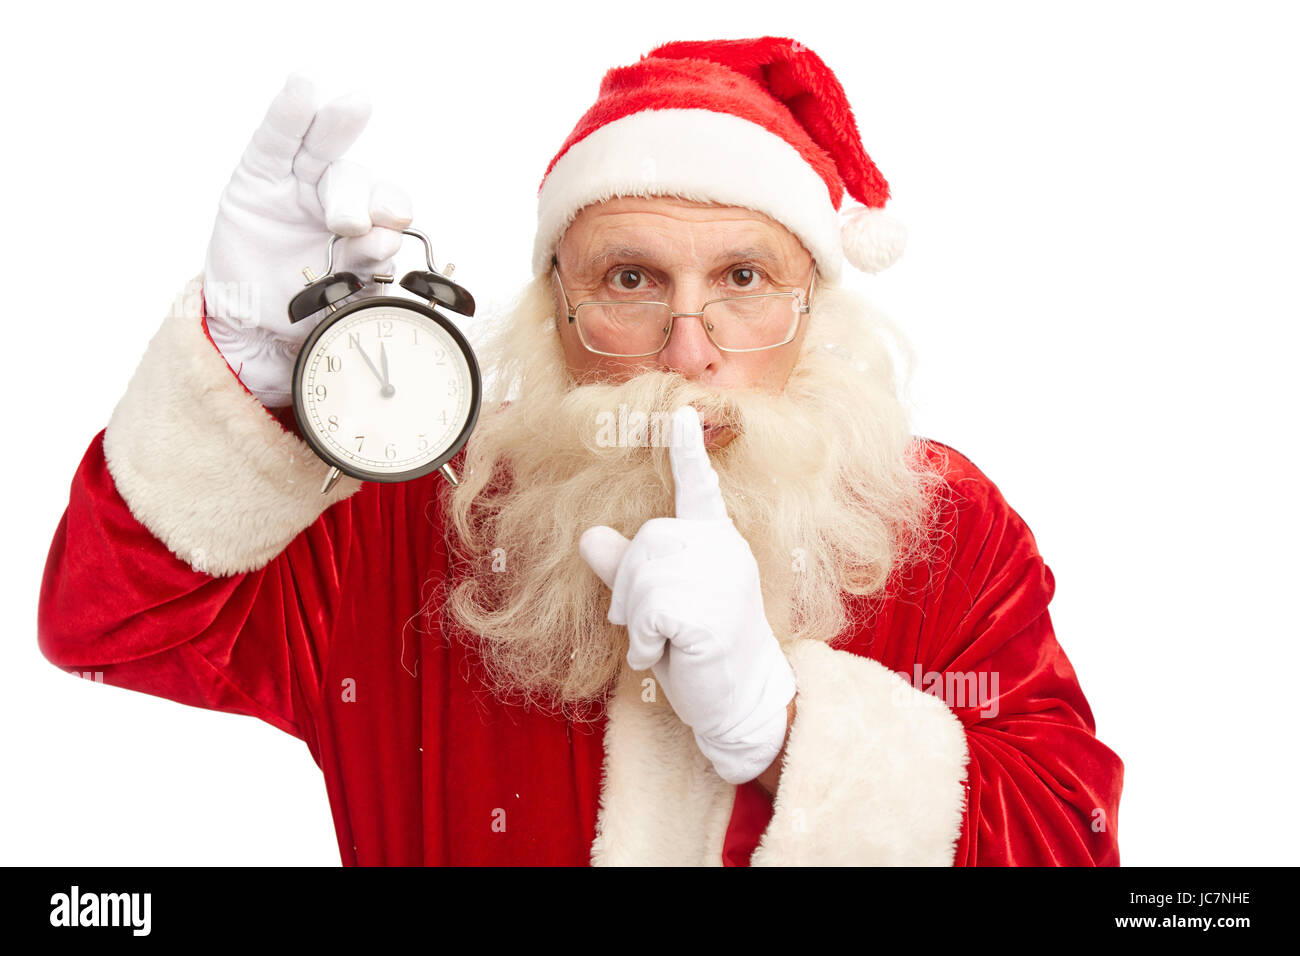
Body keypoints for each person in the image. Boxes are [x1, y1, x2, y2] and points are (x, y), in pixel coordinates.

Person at [37, 36, 1124, 865]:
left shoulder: (939, 521)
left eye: (744, 279)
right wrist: (251, 373)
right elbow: (108, 625)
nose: (689, 349)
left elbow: (1068, 838)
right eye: (630, 280)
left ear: (814, 304)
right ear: (553, 308)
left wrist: (782, 728)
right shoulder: (415, 508)